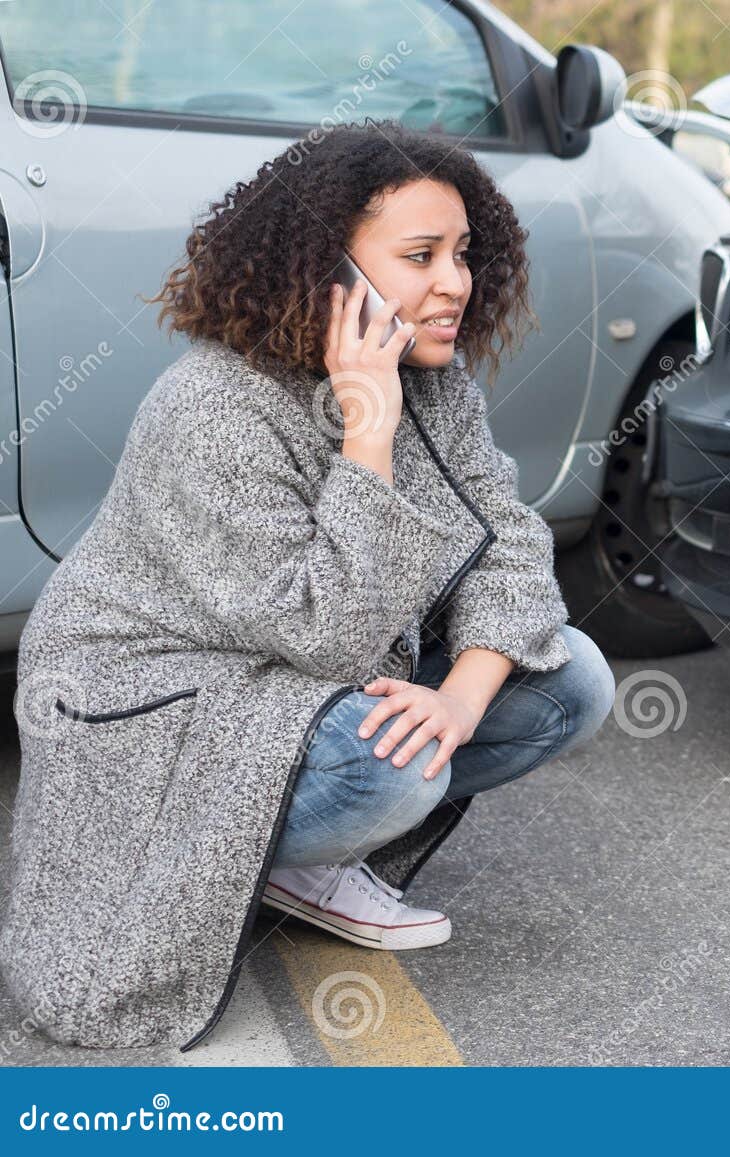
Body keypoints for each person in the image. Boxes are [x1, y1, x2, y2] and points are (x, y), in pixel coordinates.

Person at [0, 121, 615, 1050]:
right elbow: (322, 630)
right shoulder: (215, 406)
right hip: (155, 698)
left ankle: (301, 862)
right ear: (326, 270)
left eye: (463, 253)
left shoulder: (441, 389)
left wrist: (460, 694)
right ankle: (275, 857)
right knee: (393, 767)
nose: (456, 282)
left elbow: (514, 544)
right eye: (420, 256)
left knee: (572, 681)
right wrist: (368, 434)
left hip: (294, 673)